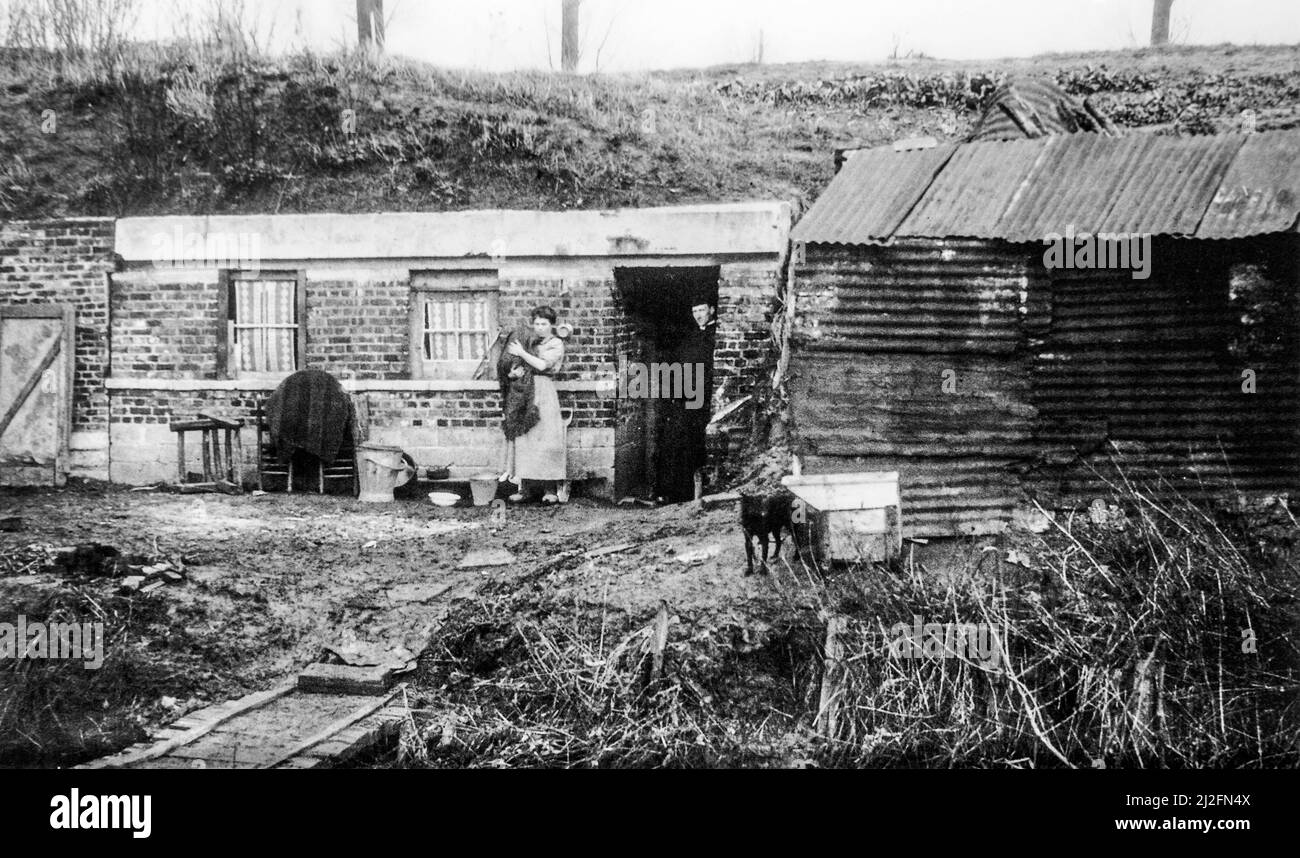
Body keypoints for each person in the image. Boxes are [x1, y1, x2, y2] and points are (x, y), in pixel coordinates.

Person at [503, 306, 567, 504]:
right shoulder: (530, 342)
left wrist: (521, 353)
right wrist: (514, 373)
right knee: (525, 438)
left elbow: (542, 365)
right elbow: (516, 367)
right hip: (526, 391)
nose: (540, 328)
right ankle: (525, 488)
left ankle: (549, 490)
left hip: (544, 391)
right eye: (537, 323)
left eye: (544, 324)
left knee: (546, 438)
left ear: (551, 325)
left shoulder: (556, 344)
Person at [654, 299, 716, 502]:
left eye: (702, 310)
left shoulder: (714, 336)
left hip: (702, 399)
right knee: (675, 442)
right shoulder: (689, 337)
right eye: (694, 310)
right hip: (684, 398)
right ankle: (673, 493)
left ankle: (693, 493)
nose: (698, 314)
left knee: (695, 444)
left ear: (711, 310)